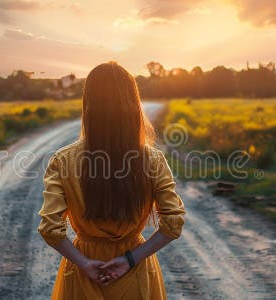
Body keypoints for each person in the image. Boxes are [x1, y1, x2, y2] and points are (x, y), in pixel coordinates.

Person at [38, 61, 186, 299]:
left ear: (88, 105)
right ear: (133, 106)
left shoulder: (63, 160)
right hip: (135, 275)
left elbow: (50, 229)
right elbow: (174, 223)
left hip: (83, 276)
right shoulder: (153, 160)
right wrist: (130, 260)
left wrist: (84, 263)